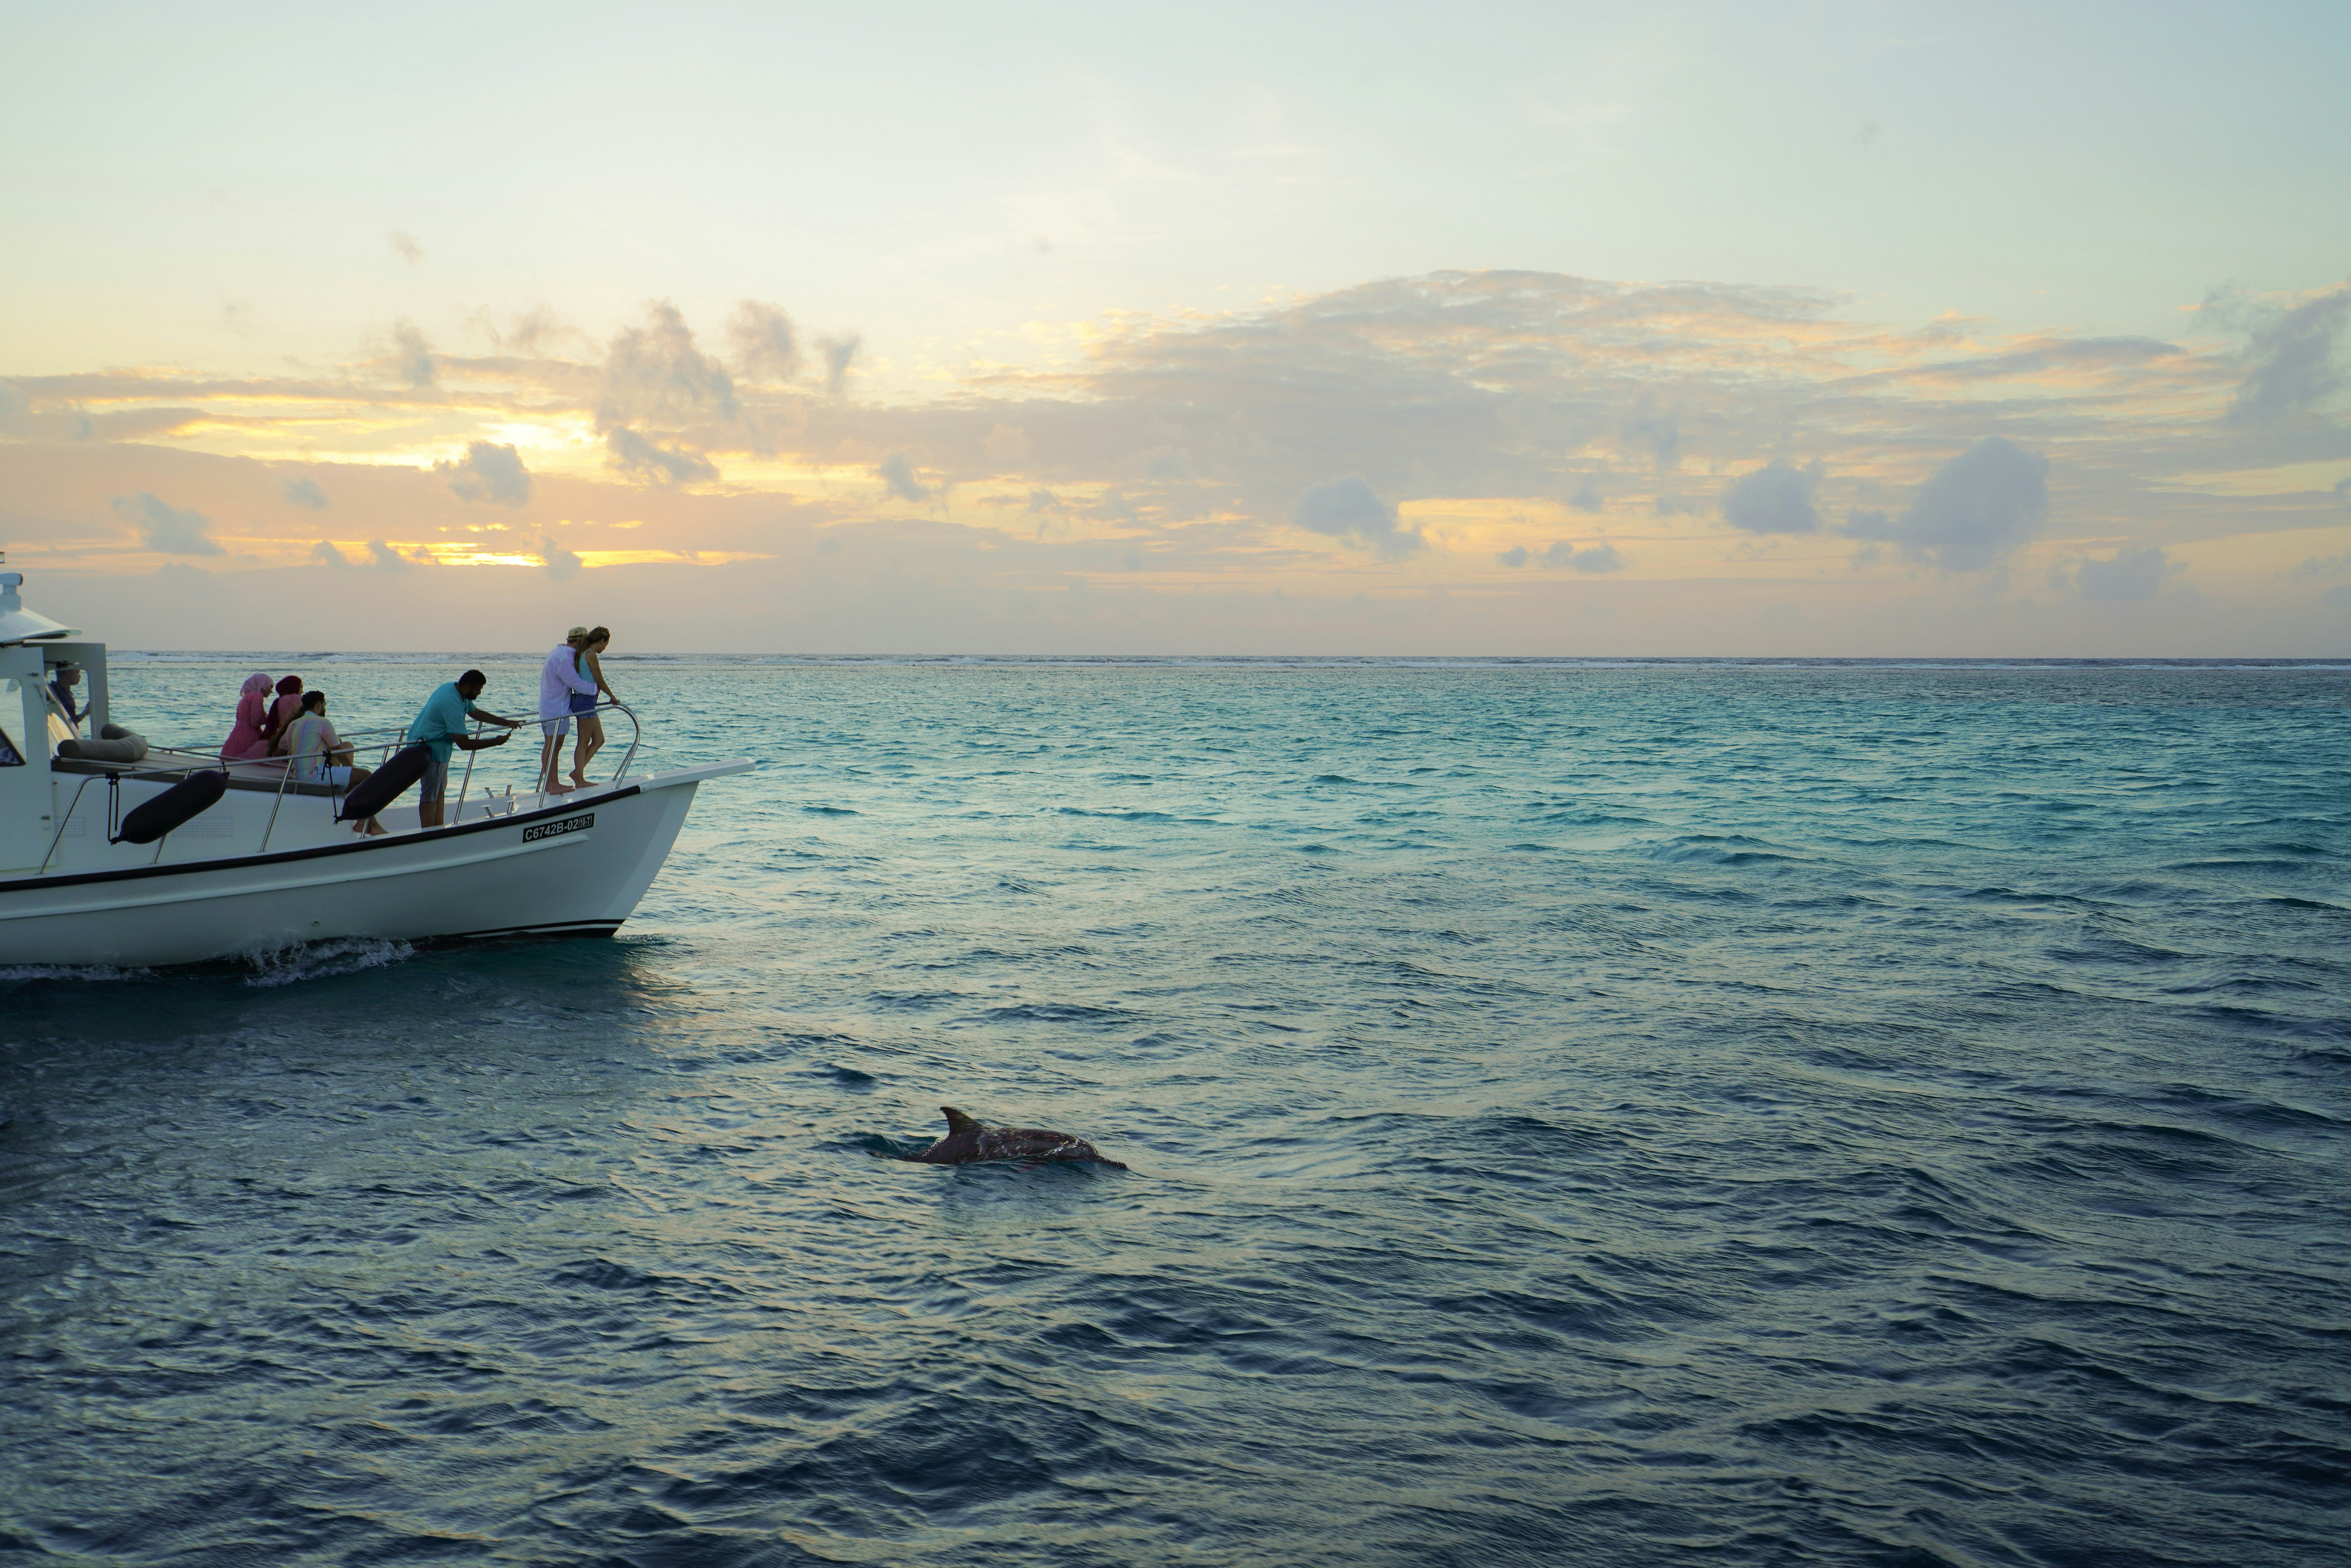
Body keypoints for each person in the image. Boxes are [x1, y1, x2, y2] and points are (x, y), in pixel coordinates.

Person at [405, 668, 523, 828]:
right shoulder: (451, 703)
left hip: (440, 749)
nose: (480, 693)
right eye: (478, 689)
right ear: (467, 687)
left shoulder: (455, 690)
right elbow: (464, 743)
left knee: (440, 791)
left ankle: (438, 828)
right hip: (429, 750)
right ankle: (428, 835)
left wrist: (506, 723)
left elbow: (476, 713)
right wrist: (495, 742)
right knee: (429, 795)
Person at [281, 690, 387, 836]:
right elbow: (340, 752)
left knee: (357, 784)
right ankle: (363, 823)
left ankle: (369, 825)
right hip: (315, 775)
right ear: (319, 705)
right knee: (367, 776)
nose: (325, 707)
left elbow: (282, 748)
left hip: (296, 776)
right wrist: (352, 770)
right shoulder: (323, 723)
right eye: (324, 704)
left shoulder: (294, 724)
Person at [538, 627, 599, 795]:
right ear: (580, 642)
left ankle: (551, 784)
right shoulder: (566, 657)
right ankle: (554, 784)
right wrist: (595, 688)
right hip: (557, 709)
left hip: (548, 707)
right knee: (555, 747)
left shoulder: (556, 652)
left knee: (549, 746)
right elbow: (575, 682)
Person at [569, 626, 615, 787]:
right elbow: (600, 680)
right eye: (605, 645)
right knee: (583, 741)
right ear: (602, 640)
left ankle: (577, 773)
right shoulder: (591, 655)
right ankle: (580, 779)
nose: (604, 648)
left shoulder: (583, 653)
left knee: (599, 739)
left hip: (587, 701)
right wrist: (613, 697)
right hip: (585, 702)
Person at [221, 672, 275, 760]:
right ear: (263, 685)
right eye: (271, 687)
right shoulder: (257, 696)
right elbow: (255, 721)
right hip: (249, 737)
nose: (272, 691)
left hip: (237, 735)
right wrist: (271, 719)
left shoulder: (245, 698)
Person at [262, 674, 306, 756]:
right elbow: (304, 718)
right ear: (294, 686)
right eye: (301, 688)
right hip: (293, 736)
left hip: (280, 736)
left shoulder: (281, 700)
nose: (302, 692)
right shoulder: (295, 698)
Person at [47, 665, 84, 733]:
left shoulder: (64, 693)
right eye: (77, 672)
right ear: (68, 674)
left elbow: (70, 721)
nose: (80, 676)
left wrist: (85, 713)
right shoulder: (53, 693)